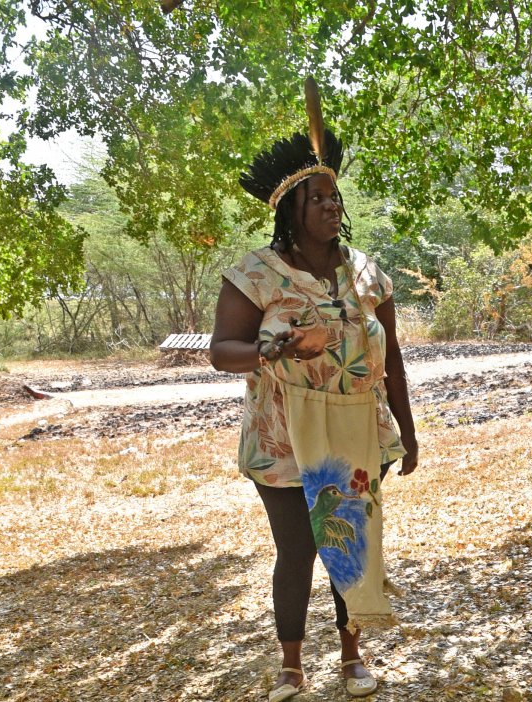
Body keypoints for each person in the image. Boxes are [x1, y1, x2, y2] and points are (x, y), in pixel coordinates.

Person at [210, 93, 418, 701]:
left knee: (348, 535)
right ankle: (291, 666)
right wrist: (279, 348)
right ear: (289, 210)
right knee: (298, 548)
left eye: (335, 197)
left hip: (358, 427)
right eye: (317, 199)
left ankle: (353, 655)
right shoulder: (256, 273)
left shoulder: (366, 273)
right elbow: (223, 350)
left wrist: (406, 430)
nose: (331, 207)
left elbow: (394, 357)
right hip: (283, 436)